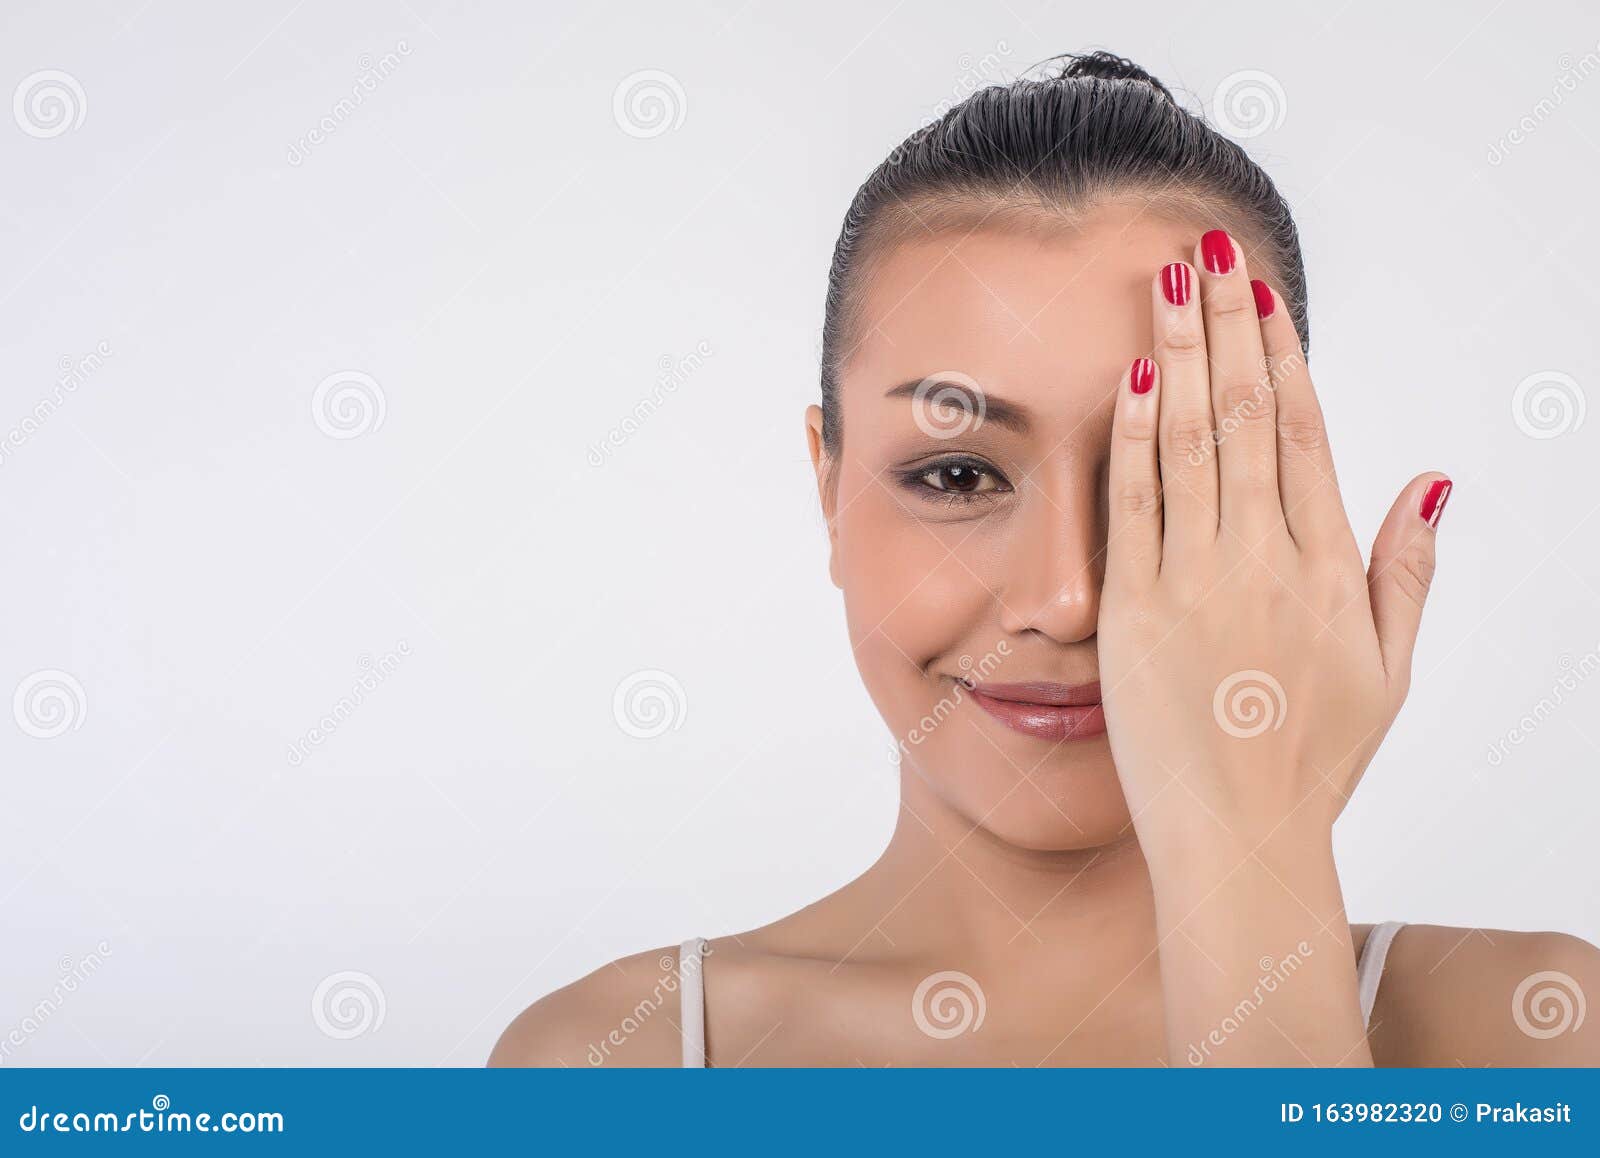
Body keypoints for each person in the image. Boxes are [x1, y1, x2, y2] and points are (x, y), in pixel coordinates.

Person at [491, 51, 1599, 1067]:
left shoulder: (1539, 1031)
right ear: (828, 488)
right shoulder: (612, 1062)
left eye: (1170, 474)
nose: (1068, 598)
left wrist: (1251, 856)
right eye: (957, 475)